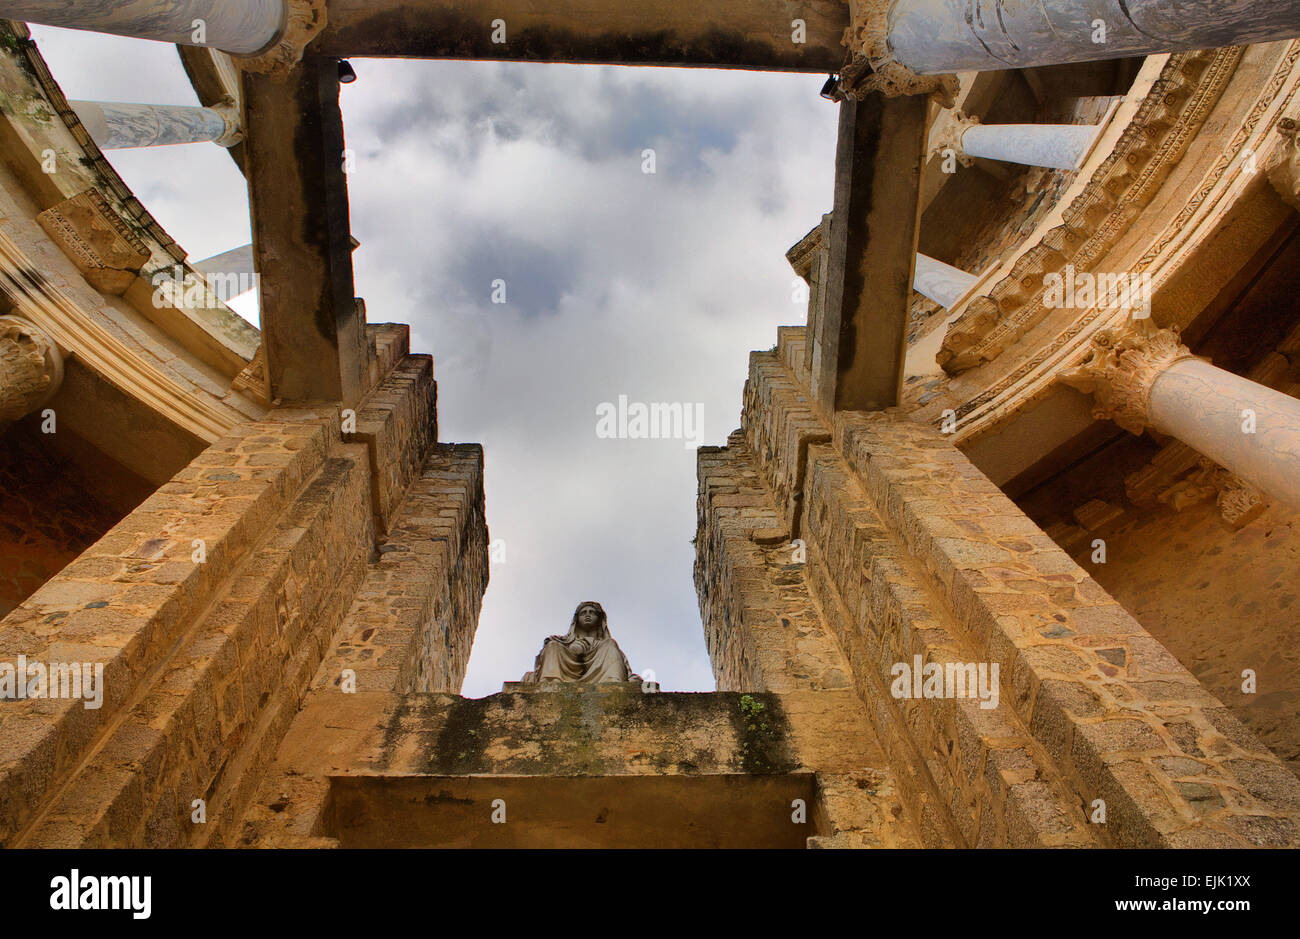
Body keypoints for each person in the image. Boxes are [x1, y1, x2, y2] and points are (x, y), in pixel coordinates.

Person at [523, 601, 639, 683]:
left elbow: (623, 666)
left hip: (601, 674)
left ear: (599, 618)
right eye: (584, 613)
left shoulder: (606, 645)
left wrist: (631, 677)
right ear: (577, 619)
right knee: (553, 646)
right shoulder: (562, 641)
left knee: (610, 644)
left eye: (592, 612)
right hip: (566, 668)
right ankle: (551, 681)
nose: (588, 615)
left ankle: (612, 682)